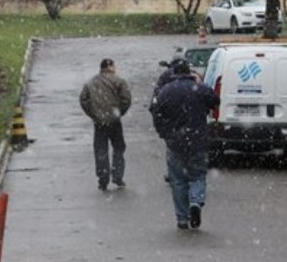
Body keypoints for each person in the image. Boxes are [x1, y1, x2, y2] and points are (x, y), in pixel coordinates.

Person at [149, 61, 220, 230]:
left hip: (175, 144)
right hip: (198, 142)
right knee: (197, 175)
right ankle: (195, 201)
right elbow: (216, 100)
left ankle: (182, 218)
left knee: (178, 181)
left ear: (174, 73)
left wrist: (165, 133)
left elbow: (155, 113)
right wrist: (200, 83)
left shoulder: (165, 91)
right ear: (189, 72)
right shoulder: (199, 88)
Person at [79, 58, 132, 190]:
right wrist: (119, 112)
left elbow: (83, 99)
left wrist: (93, 114)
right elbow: (126, 99)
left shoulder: (91, 82)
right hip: (115, 122)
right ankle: (118, 176)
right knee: (119, 148)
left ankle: (103, 179)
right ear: (110, 67)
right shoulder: (119, 81)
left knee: (100, 150)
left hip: (99, 123)